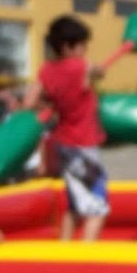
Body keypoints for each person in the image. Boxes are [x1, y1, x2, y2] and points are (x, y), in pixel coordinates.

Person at [21, 15, 109, 242]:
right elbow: (99, 71)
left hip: (64, 144)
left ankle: (64, 253)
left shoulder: (47, 70)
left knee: (75, 206)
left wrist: (52, 104)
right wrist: (93, 72)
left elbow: (29, 102)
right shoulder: (81, 66)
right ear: (67, 46)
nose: (85, 50)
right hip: (84, 145)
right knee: (97, 208)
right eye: (82, 45)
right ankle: (85, 262)